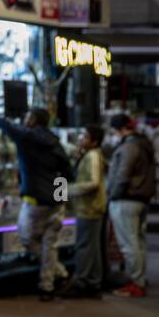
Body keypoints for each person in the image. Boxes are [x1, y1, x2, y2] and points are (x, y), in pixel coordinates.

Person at [0, 107, 74, 300]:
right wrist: (60, 197)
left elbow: (4, 125)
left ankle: (59, 275)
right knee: (49, 244)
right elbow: (67, 171)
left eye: (27, 117)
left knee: (26, 238)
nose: (24, 120)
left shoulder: (27, 138)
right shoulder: (55, 142)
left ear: (33, 121)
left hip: (35, 201)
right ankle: (49, 285)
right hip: (55, 200)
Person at [106, 113, 156, 298]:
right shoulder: (144, 144)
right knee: (139, 242)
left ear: (119, 129)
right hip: (141, 199)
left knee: (129, 243)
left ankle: (136, 282)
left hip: (126, 199)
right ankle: (140, 278)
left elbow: (122, 174)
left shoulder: (129, 147)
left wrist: (112, 194)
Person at [62, 124, 107, 298]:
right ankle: (94, 282)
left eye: (85, 136)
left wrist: (68, 189)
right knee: (92, 247)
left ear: (94, 141)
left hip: (89, 208)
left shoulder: (92, 157)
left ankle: (82, 281)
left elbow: (93, 182)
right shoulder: (90, 154)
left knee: (84, 246)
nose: (81, 139)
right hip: (92, 207)